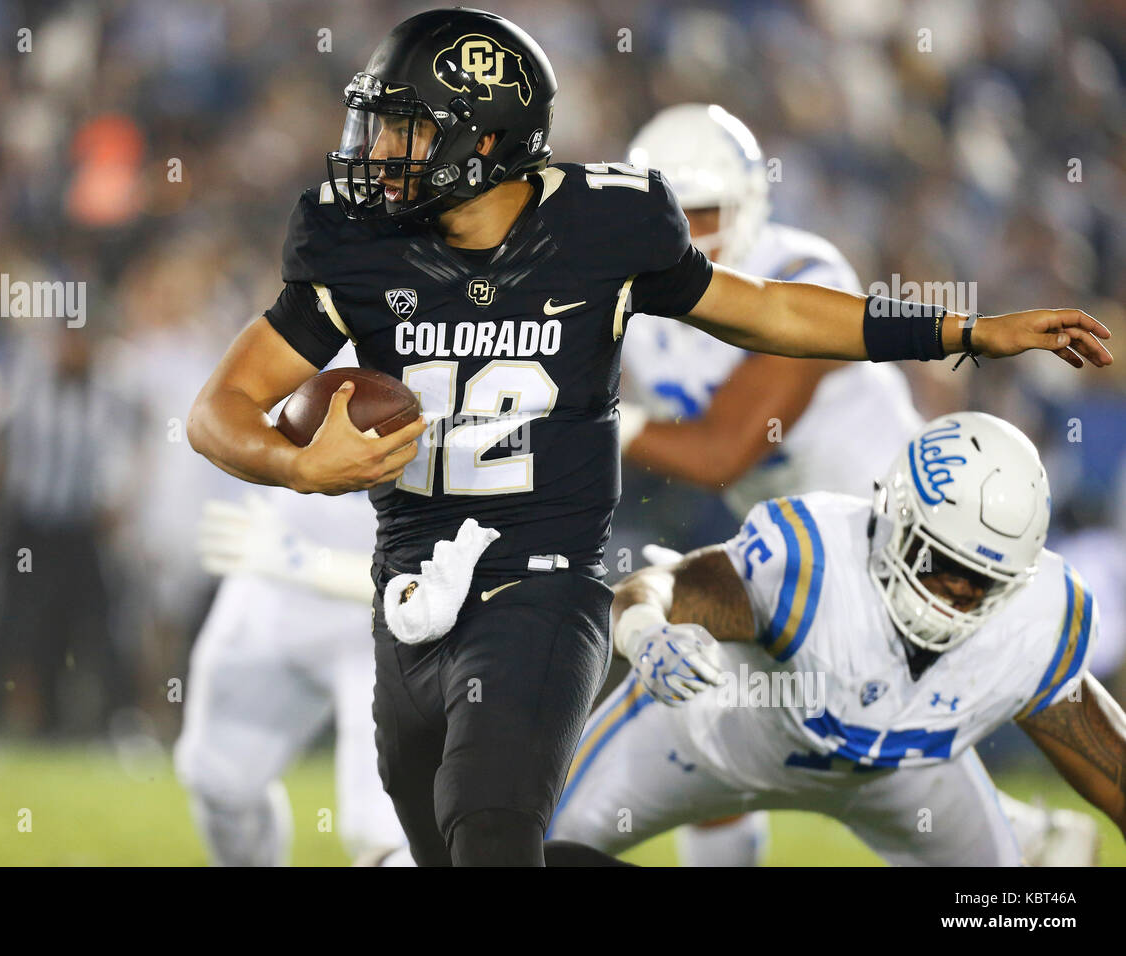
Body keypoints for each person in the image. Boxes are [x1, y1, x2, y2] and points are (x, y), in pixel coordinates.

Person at [187, 9, 1110, 866]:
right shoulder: (354, 241)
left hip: (547, 585)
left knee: (497, 830)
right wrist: (294, 462)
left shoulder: (605, 226)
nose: (379, 149)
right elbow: (219, 408)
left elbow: (769, 314)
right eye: (379, 123)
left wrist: (963, 331)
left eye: (408, 128)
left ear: (485, 140)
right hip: (415, 593)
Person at [618, 103, 1096, 866]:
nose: (685, 231)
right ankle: (1027, 841)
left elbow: (720, 452)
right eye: (666, 209)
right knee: (710, 706)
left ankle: (1021, 851)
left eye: (703, 209)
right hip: (786, 548)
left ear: (749, 202)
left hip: (892, 544)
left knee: (882, 748)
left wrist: (585, 418)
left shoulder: (803, 274)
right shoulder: (636, 300)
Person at [548, 413, 1126, 865]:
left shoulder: (1039, 619)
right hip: (705, 735)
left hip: (899, 774)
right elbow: (662, 587)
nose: (955, 591)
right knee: (517, 851)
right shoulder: (812, 557)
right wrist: (647, 633)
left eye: (982, 582)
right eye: (937, 562)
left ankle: (1033, 841)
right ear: (895, 520)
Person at [175, 348, 407, 867]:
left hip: (393, 616)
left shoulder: (490, 337)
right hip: (277, 581)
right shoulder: (318, 310)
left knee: (385, 834)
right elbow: (213, 413)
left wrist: (312, 562)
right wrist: (280, 462)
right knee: (220, 782)